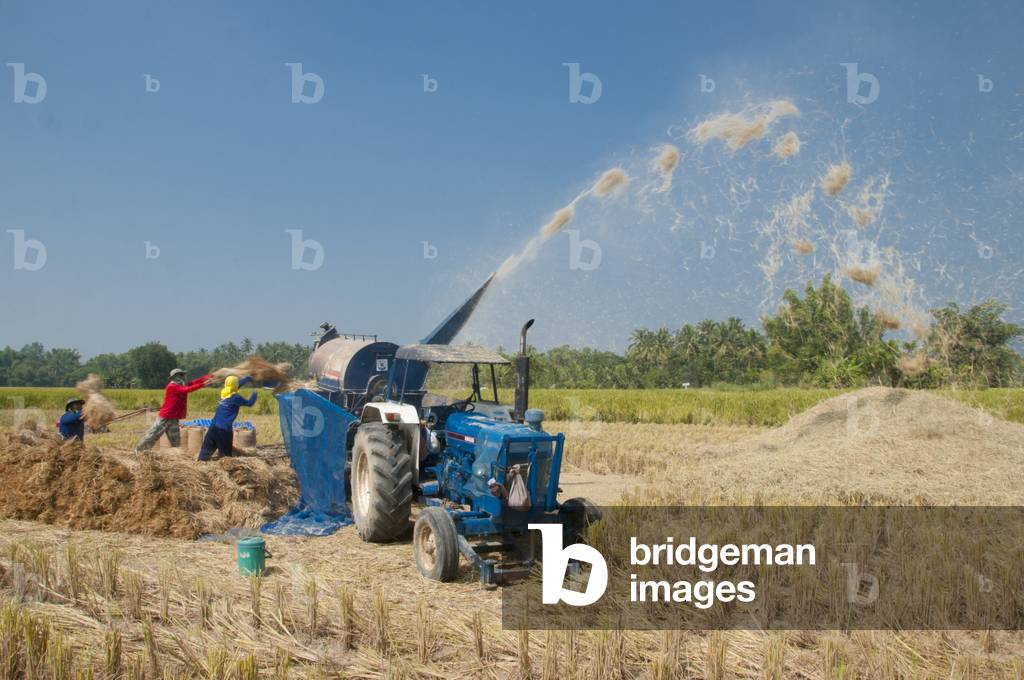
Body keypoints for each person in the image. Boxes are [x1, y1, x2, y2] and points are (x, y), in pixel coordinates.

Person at [136, 368, 212, 452]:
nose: (183, 377)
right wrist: (202, 385)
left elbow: (194, 382)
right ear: (175, 377)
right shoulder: (172, 386)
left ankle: (175, 456)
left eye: (183, 375)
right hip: (165, 417)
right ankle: (139, 451)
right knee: (152, 435)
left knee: (175, 441)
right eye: (181, 375)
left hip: (174, 418)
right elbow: (187, 390)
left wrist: (210, 377)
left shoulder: (181, 385)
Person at [197, 375, 257, 461]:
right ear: (235, 386)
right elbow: (250, 403)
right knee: (226, 459)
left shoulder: (224, 393)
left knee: (204, 456)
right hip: (224, 431)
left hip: (213, 428)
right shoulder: (236, 397)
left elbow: (235, 386)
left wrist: (247, 378)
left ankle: (200, 469)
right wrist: (255, 393)